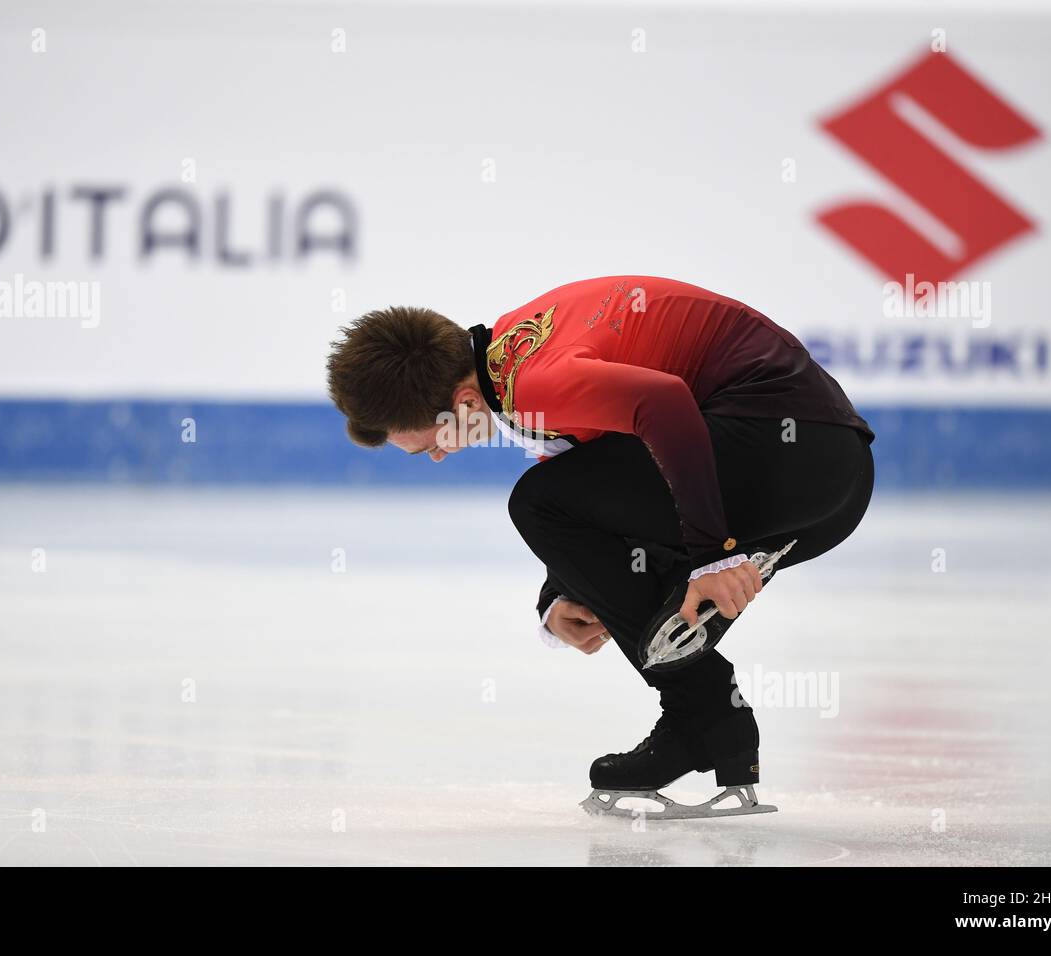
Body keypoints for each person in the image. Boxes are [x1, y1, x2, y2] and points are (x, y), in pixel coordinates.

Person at [326, 275, 874, 815]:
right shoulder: (514, 359)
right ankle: (707, 717)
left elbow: (664, 403)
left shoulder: (534, 382)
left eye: (432, 446)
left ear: (465, 401)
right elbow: (610, 464)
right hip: (826, 480)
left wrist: (711, 556)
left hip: (790, 458)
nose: (441, 457)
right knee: (622, 565)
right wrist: (565, 593)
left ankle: (706, 714)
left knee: (537, 503)